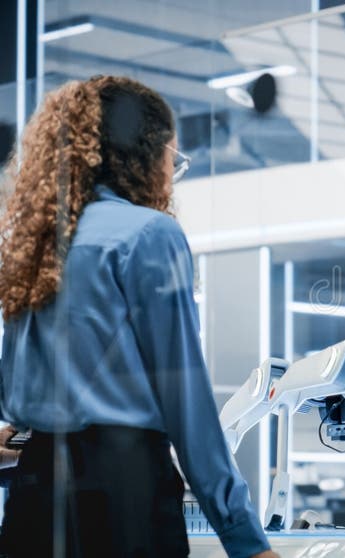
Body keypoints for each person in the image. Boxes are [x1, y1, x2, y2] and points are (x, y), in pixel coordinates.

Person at [0, 76, 278, 557]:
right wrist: (244, 538)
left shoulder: (35, 244)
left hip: (33, 496)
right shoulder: (148, 234)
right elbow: (186, 403)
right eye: (173, 156)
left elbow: (15, 389)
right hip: (122, 497)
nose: (172, 172)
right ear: (145, 154)